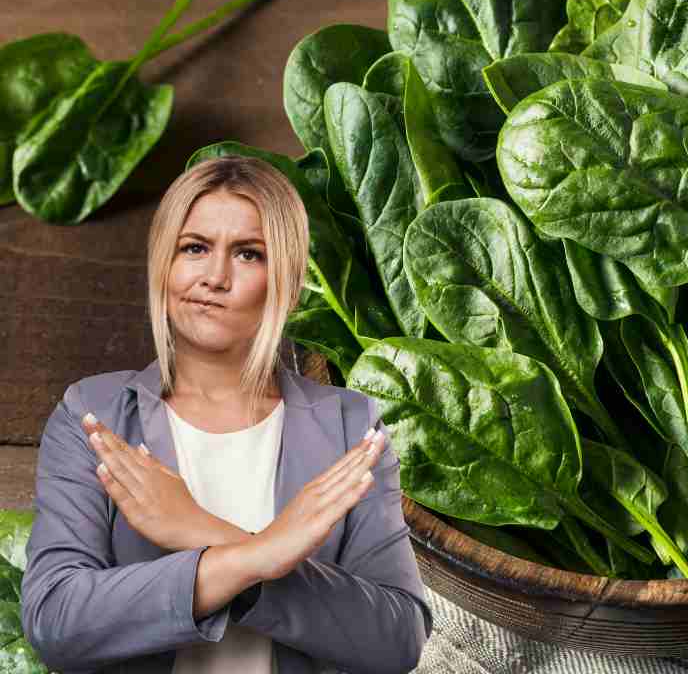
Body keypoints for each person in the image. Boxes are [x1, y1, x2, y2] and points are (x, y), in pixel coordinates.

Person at [20, 154, 433, 673]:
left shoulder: (351, 427)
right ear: (163, 262)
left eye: (248, 255)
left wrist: (196, 528)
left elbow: (396, 640)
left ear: (287, 276)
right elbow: (55, 622)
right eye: (194, 248)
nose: (214, 276)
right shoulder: (93, 415)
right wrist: (255, 556)